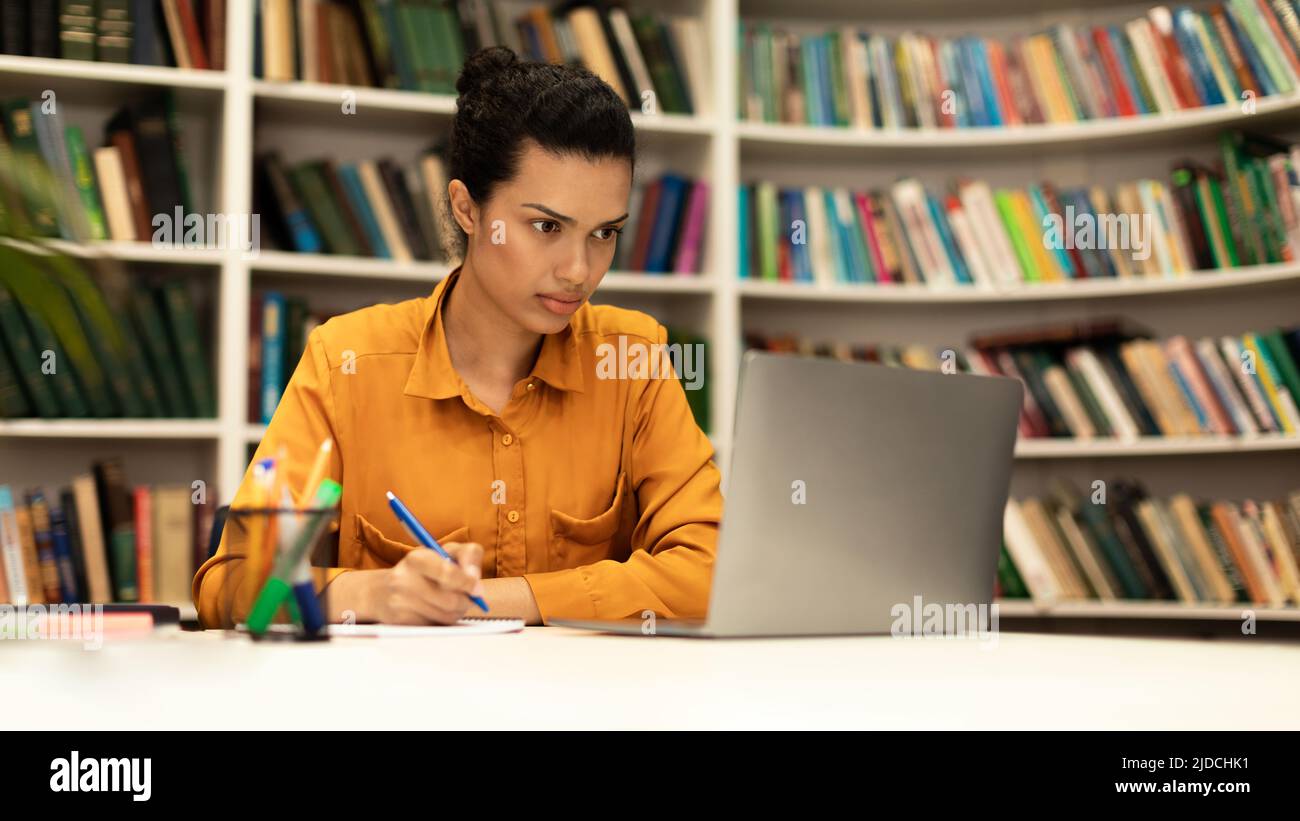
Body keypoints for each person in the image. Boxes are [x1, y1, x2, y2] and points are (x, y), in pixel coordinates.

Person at [193, 47, 722, 628]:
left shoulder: (634, 359)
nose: (579, 269)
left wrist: (493, 602)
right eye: (547, 226)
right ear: (467, 208)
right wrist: (373, 595)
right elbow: (232, 583)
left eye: (605, 233)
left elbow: (711, 574)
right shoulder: (347, 360)